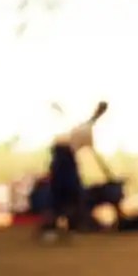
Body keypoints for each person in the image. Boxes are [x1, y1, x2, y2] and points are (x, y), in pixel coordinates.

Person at [40, 101, 108, 240]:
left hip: (64, 159)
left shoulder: (84, 128)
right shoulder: (83, 128)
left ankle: (67, 227)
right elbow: (93, 155)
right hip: (64, 159)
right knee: (66, 194)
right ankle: (57, 227)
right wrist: (108, 175)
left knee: (66, 194)